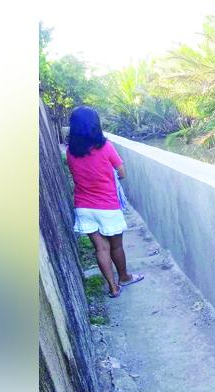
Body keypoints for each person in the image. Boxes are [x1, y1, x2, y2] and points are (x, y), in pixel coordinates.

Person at [65, 106, 143, 298]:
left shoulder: (70, 152)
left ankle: (113, 287)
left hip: (83, 206)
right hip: (107, 206)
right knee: (116, 246)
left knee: (100, 248)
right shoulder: (106, 147)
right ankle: (124, 277)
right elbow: (122, 173)